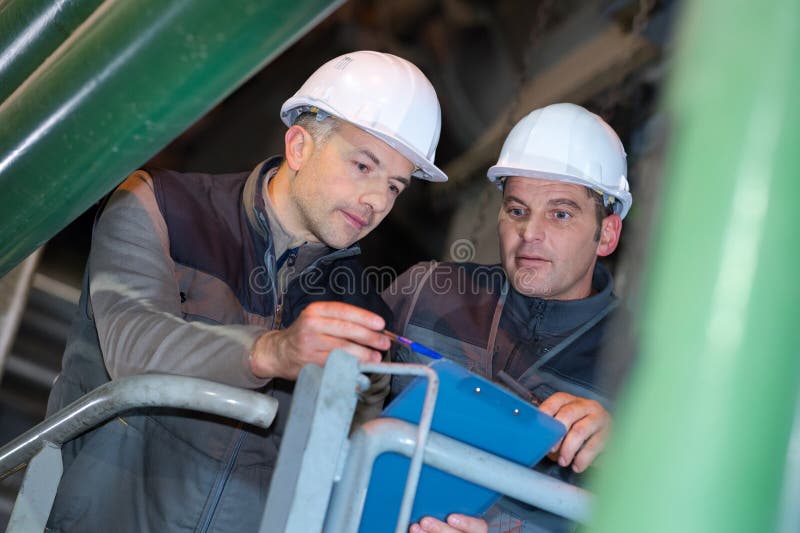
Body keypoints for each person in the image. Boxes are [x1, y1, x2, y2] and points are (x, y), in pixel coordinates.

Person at [45, 50, 447, 532]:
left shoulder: (362, 312)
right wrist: (271, 352)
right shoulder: (161, 206)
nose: (377, 200)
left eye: (396, 187)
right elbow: (134, 345)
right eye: (364, 166)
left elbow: (348, 475)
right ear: (299, 146)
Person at [383, 102, 632, 533]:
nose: (530, 232)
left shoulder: (640, 368)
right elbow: (330, 406)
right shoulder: (426, 293)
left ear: (606, 234)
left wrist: (631, 450)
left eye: (560, 213)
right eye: (517, 210)